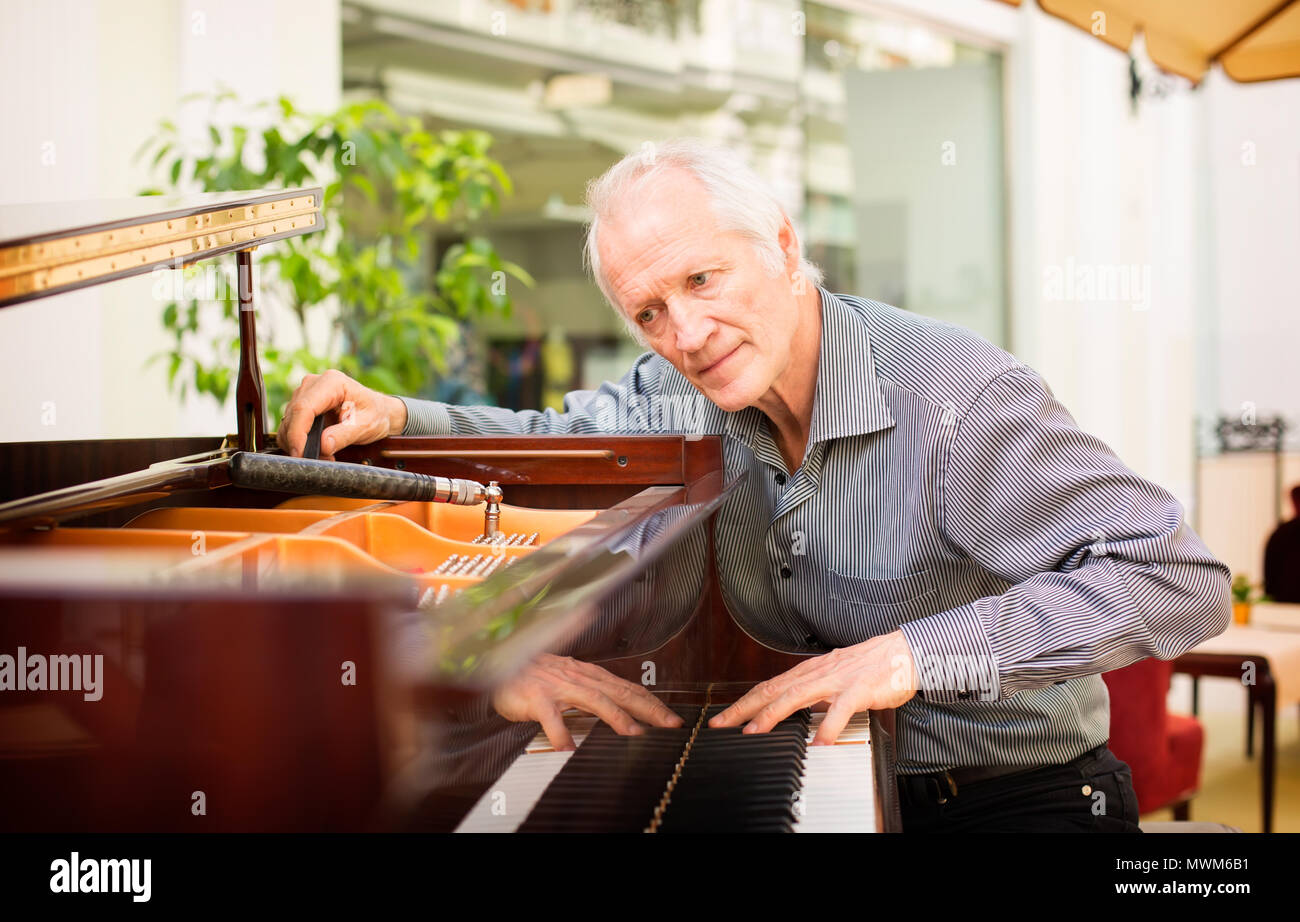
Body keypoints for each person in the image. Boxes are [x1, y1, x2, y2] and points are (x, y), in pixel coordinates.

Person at [277, 139, 1230, 832]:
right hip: (837, 770)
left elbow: (1179, 578)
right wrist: (404, 418)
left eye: (703, 279)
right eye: (650, 311)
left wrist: (911, 655)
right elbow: (557, 442)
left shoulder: (959, 396)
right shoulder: (673, 398)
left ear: (780, 244)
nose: (685, 334)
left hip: (1014, 797)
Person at [1264, 485, 1300, 603]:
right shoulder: (1283, 532)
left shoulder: (1282, 532)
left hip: (1285, 597)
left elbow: (1270, 565)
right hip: (1286, 597)